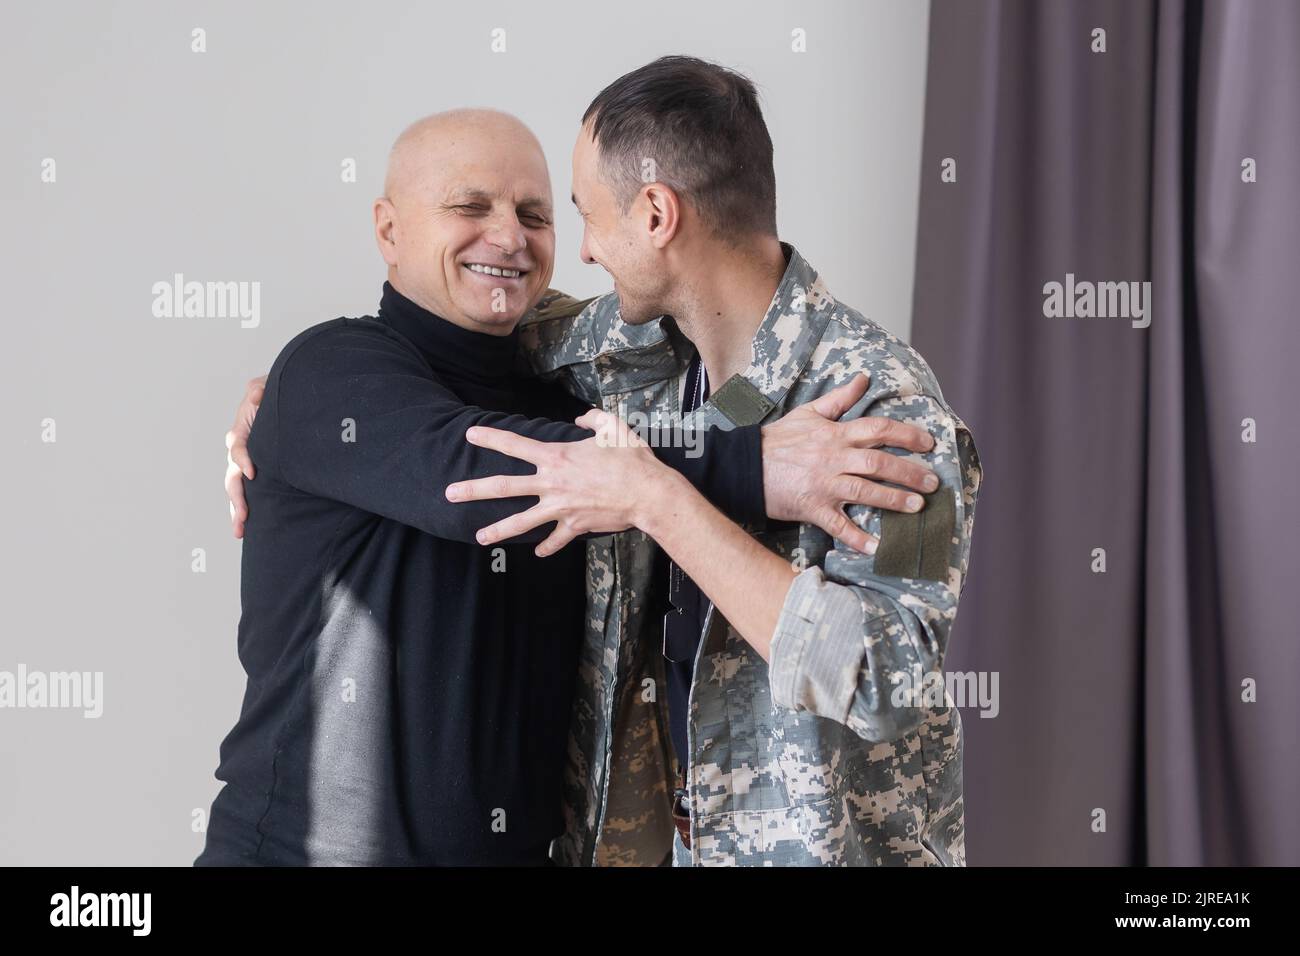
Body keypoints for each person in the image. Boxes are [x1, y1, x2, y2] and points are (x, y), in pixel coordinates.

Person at [208, 107, 941, 866]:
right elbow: (472, 478)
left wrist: (665, 477)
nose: (512, 236)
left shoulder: (586, 389)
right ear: (388, 231)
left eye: (539, 215)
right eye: (469, 206)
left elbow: (881, 677)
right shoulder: (332, 369)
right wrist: (753, 465)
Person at [442, 56, 984, 866]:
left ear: (656, 213)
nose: (583, 252)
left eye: (588, 215)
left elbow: (883, 679)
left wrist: (659, 499)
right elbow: (457, 335)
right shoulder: (625, 358)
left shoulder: (884, 406)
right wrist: (296, 394)